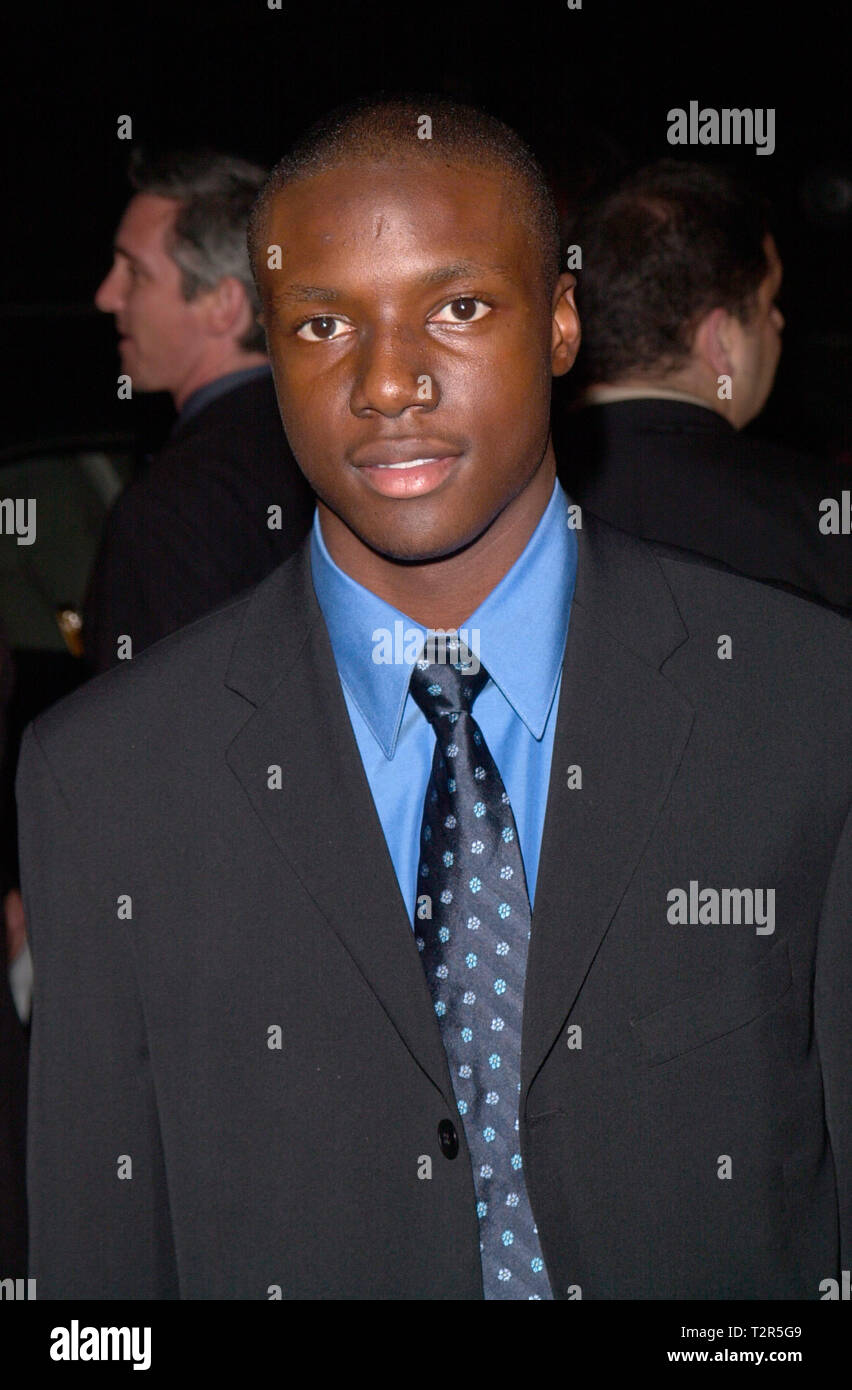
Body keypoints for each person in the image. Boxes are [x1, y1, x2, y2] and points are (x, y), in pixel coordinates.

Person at [17, 95, 852, 1300]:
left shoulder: (803, 704)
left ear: (563, 324)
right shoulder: (106, 782)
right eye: (321, 324)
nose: (388, 380)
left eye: (457, 308)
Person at [552, 160, 852, 613]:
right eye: (769, 302)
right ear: (723, 342)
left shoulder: (505, 497)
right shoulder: (824, 518)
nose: (779, 322)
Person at [83, 148, 315, 674]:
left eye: (135, 273)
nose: (106, 296)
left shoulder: (173, 508)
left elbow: (151, 740)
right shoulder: (331, 452)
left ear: (223, 307)